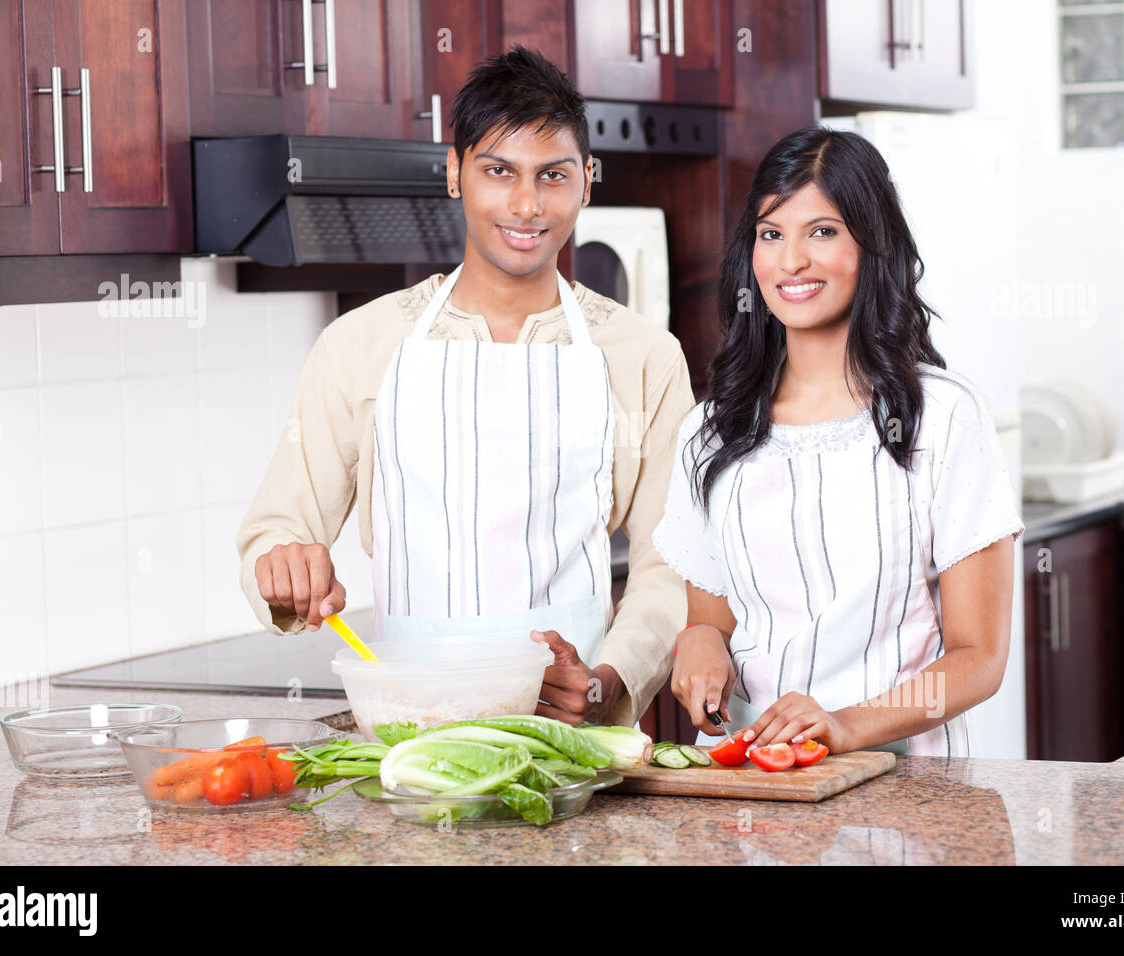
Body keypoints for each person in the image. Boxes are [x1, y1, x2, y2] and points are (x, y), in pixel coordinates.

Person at [236, 46, 695, 727]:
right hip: (410, 736)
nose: (527, 204)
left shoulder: (643, 356)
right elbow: (278, 528)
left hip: (571, 741)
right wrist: (282, 570)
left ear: (587, 182)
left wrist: (605, 682)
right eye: (498, 170)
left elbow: (672, 564)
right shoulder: (361, 345)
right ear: (454, 174)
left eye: (554, 175)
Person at [653, 126, 1024, 757]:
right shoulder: (711, 430)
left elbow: (979, 657)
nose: (792, 261)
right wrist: (700, 642)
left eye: (821, 231)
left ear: (871, 247)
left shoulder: (942, 417)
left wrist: (847, 724)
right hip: (756, 784)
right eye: (772, 234)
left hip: (905, 786)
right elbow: (712, 620)